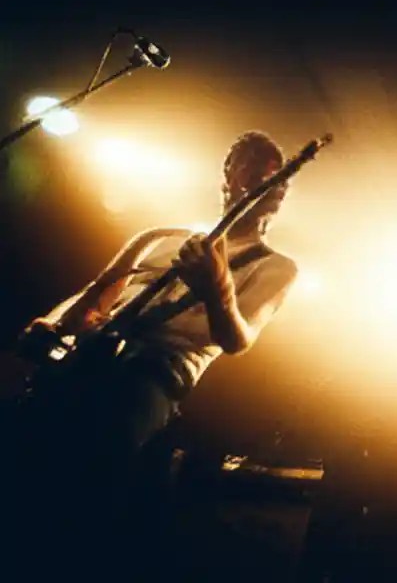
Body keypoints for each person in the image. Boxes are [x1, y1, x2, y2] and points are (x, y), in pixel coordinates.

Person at [2, 130, 299, 577]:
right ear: (226, 177)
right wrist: (51, 324)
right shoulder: (158, 236)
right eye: (246, 172)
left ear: (279, 196)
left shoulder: (276, 266)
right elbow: (95, 294)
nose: (253, 185)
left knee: (96, 459)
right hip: (88, 355)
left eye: (269, 179)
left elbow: (238, 339)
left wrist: (218, 288)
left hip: (157, 372)